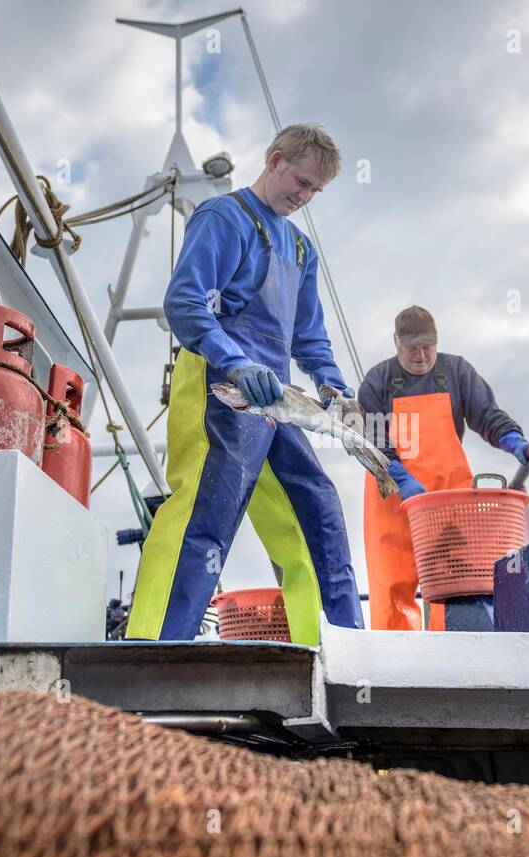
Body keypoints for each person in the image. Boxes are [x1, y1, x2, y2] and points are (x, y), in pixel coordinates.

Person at [126, 124, 363, 646]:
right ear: (275, 160)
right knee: (205, 512)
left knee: (315, 509)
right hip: (220, 382)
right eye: (299, 182)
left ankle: (337, 649)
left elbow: (308, 335)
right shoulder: (224, 217)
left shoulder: (300, 250)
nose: (302, 197)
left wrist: (332, 385)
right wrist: (234, 363)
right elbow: (186, 304)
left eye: (313, 192)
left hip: (278, 397)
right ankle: (155, 647)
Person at [358, 306, 529, 631]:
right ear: (396, 342)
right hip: (392, 497)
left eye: (427, 345)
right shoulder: (377, 381)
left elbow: (487, 415)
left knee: (454, 581)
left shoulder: (456, 371)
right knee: (391, 587)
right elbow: (374, 442)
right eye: (412, 346)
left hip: (446, 500)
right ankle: (397, 668)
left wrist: (514, 440)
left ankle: (455, 657)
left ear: (437, 340)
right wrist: (403, 479)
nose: (420, 354)